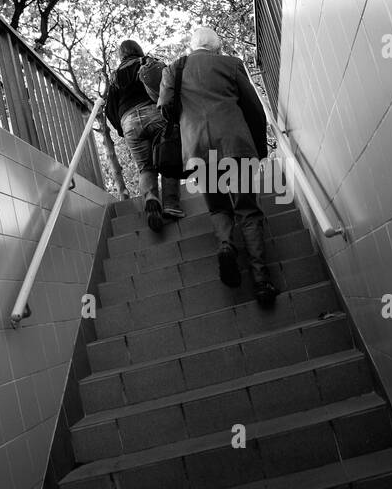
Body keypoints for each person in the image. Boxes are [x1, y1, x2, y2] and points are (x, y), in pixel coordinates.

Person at [159, 26, 277, 307]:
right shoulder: (230, 64)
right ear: (216, 47)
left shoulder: (173, 70)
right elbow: (253, 109)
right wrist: (259, 150)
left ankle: (226, 246)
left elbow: (165, 109)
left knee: (219, 207)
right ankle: (261, 282)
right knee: (247, 209)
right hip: (234, 146)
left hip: (198, 151)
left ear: (192, 46)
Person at [102, 39, 184, 232]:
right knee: (168, 157)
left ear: (121, 56)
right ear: (137, 50)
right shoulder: (147, 62)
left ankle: (151, 198)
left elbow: (110, 110)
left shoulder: (114, 77)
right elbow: (167, 87)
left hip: (129, 122)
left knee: (145, 168)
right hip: (154, 113)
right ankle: (171, 204)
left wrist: (123, 129)